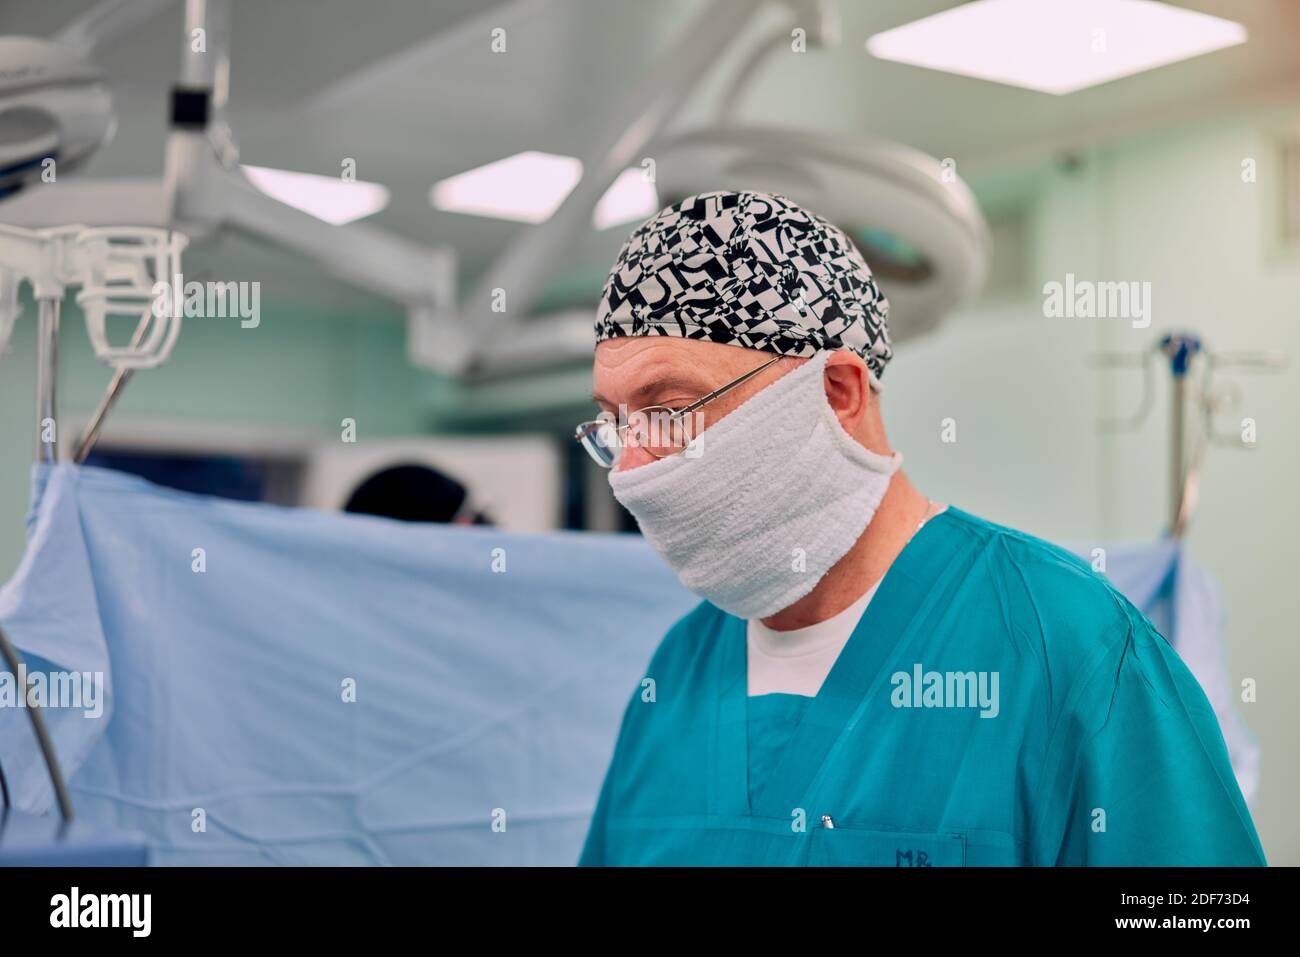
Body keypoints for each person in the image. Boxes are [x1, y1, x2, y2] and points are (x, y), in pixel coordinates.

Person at [575, 190, 1265, 866]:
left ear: (835, 393)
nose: (630, 465)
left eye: (667, 412)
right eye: (614, 422)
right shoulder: (679, 673)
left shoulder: (1072, 654)